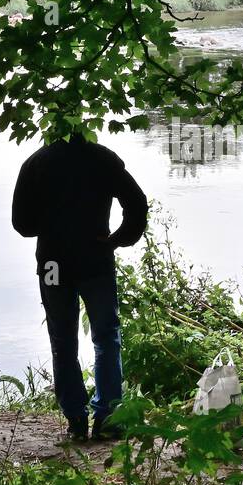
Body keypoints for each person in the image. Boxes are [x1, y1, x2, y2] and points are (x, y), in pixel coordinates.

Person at [12, 134, 148, 441]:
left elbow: (21, 224)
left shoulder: (36, 163)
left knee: (62, 340)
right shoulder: (102, 158)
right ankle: (108, 416)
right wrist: (118, 238)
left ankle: (75, 419)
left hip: (52, 263)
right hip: (95, 258)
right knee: (106, 336)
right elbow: (137, 203)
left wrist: (49, 224)